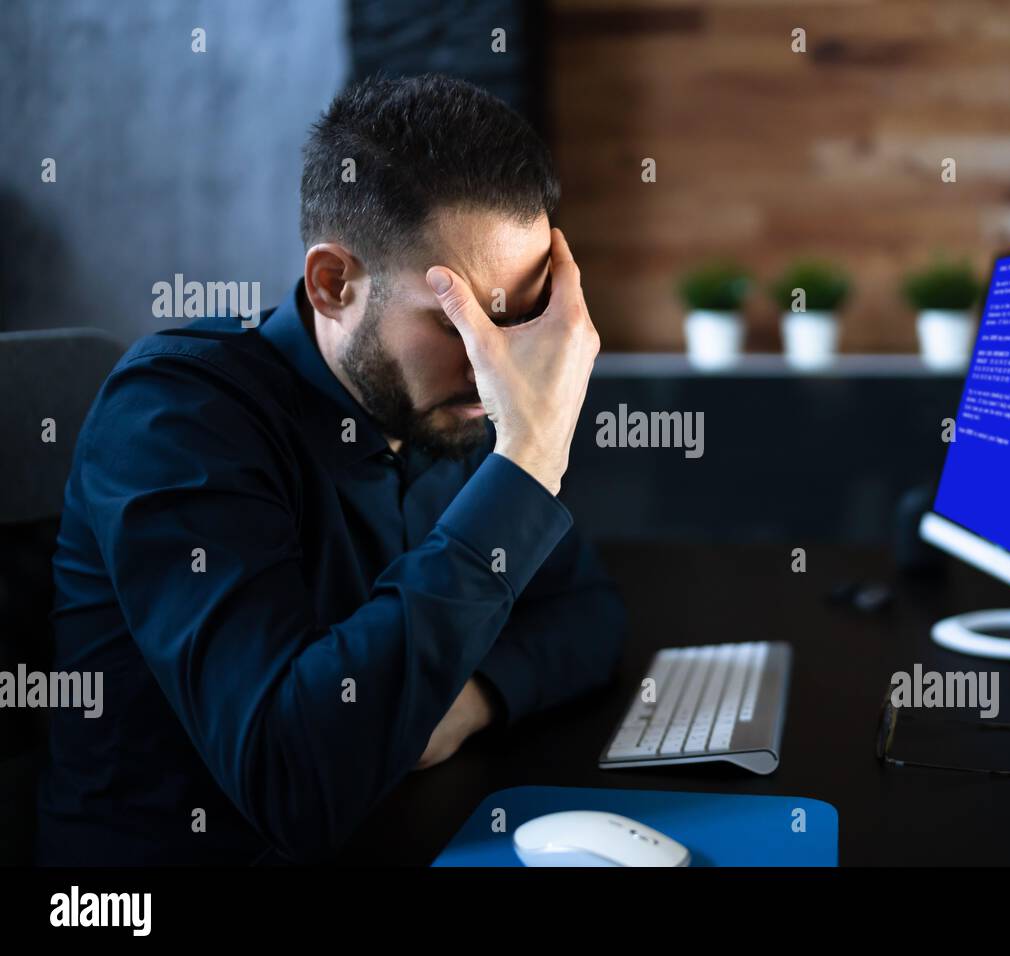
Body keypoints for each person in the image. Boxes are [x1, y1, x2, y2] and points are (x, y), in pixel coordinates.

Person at [37, 73, 624, 865]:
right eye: (462, 320)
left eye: (521, 319)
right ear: (333, 283)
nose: (500, 369)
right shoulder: (171, 421)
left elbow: (585, 614)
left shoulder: (449, 407)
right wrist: (529, 460)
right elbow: (292, 776)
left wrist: (468, 701)